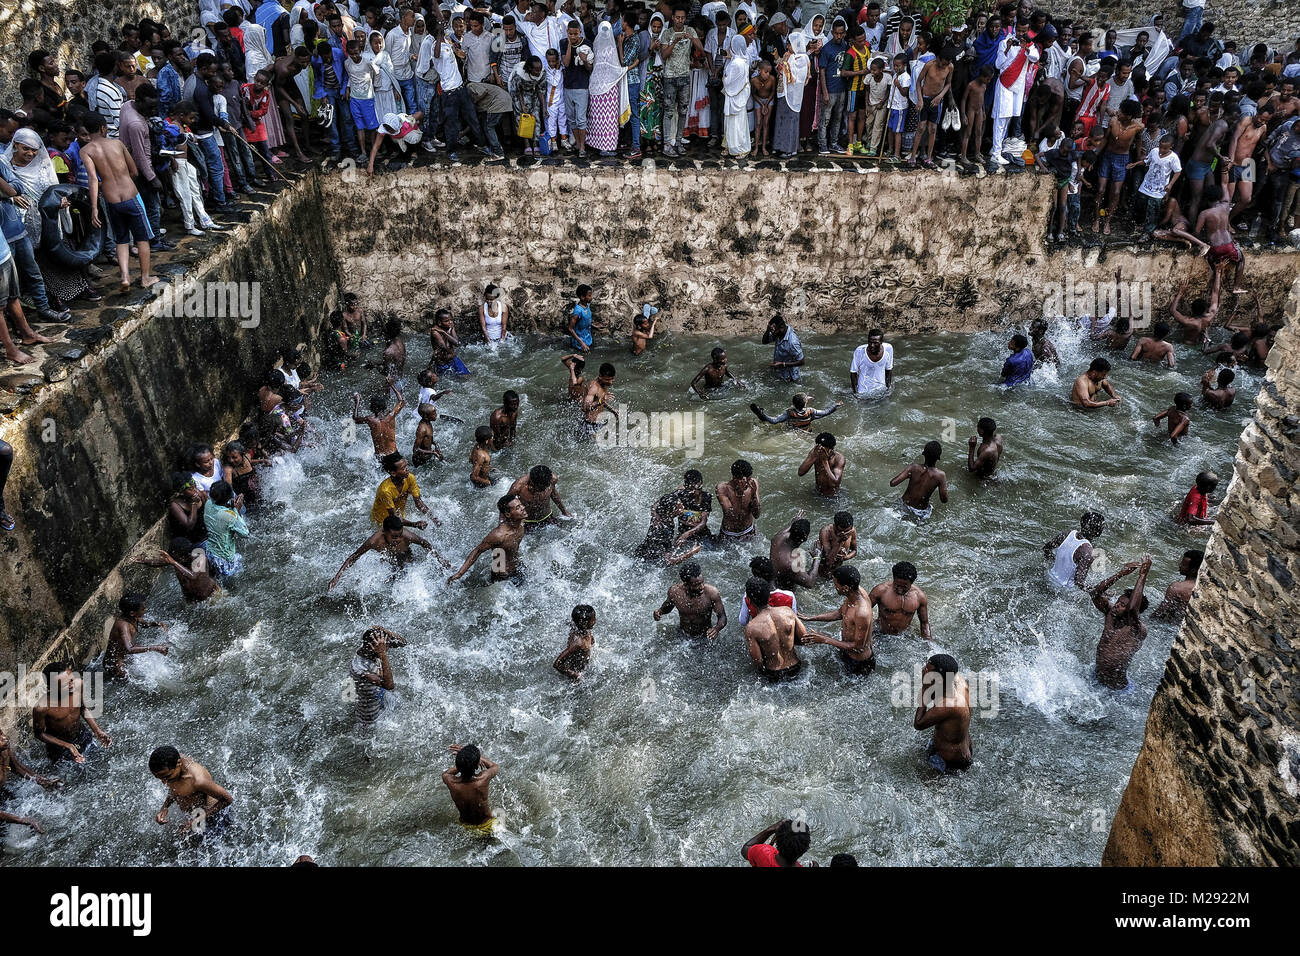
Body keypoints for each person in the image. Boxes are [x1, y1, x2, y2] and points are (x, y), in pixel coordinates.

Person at [81, 111, 157, 294]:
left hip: (111, 200)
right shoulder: (117, 143)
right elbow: (134, 171)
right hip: (130, 195)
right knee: (142, 239)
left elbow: (92, 179)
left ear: (87, 131)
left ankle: (124, 277)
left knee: (121, 240)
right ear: (103, 128)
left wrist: (94, 209)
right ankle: (145, 277)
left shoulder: (86, 151)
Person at [328, 515, 442, 590]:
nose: (397, 539)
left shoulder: (407, 536)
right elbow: (353, 557)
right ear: (384, 531)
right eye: (393, 537)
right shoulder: (374, 541)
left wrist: (441, 561)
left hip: (406, 556)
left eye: (399, 535)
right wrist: (336, 578)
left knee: (409, 575)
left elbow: (426, 544)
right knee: (390, 582)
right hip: (389, 559)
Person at [1091, 556, 1152, 690]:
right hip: (1096, 677)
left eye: (1122, 605)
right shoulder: (1110, 614)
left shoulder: (1137, 629)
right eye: (1118, 601)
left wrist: (1142, 575)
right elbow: (1095, 593)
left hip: (1117, 689)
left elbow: (1132, 609)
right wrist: (1120, 573)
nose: (1116, 605)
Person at [800, 565, 876, 673]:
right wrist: (812, 618)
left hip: (858, 663)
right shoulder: (854, 592)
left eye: (836, 584)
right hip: (846, 650)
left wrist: (824, 639)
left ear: (845, 588)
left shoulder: (861, 613)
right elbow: (840, 613)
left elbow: (858, 647)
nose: (834, 587)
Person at [32, 663, 111, 763]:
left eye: (72, 680)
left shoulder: (79, 685)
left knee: (101, 762)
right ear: (52, 688)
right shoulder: (42, 707)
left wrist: (97, 731)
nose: (71, 685)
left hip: (82, 734)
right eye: (65, 685)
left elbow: (83, 709)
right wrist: (67, 745)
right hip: (59, 746)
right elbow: (39, 734)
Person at [149, 746, 234, 835]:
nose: (164, 782)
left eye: (167, 777)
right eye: (159, 778)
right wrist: (164, 807)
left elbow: (228, 799)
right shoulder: (170, 765)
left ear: (179, 763)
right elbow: (174, 789)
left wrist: (194, 822)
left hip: (214, 818)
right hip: (195, 816)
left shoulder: (198, 780)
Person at [447, 493, 528, 584]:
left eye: (521, 505)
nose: (523, 508)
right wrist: (459, 574)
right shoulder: (499, 535)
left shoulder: (520, 523)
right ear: (508, 515)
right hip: (503, 576)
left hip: (517, 568)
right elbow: (477, 551)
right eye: (517, 508)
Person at [914, 654, 972, 773]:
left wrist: (925, 688)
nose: (923, 671)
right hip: (961, 746)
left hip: (949, 759)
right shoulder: (959, 682)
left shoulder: (949, 704)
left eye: (927, 670)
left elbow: (919, 724)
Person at [1, 723, 59, 837]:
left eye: (1, 733)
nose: (4, 738)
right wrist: (23, 820)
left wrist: (42, 781)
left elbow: (17, 768)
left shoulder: (5, 750)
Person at [743, 576, 805, 681]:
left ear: (749, 600)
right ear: (768, 595)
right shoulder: (787, 612)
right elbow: (804, 638)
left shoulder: (751, 628)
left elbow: (758, 661)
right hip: (795, 667)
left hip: (773, 673)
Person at [134, 537, 221, 603]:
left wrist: (174, 562)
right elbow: (159, 562)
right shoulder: (178, 559)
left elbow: (193, 576)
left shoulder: (199, 558)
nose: (172, 559)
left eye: (174, 557)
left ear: (184, 556)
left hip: (211, 597)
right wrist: (141, 561)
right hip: (192, 600)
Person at [654, 561, 726, 639]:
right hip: (682, 633)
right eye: (696, 585)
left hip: (704, 635)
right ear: (686, 584)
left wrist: (716, 629)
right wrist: (660, 612)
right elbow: (668, 607)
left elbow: (722, 617)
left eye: (702, 582)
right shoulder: (675, 592)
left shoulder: (711, 593)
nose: (701, 587)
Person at [104, 593, 169, 679]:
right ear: (132, 613)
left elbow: (145, 624)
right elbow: (129, 648)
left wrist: (158, 624)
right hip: (115, 664)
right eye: (143, 609)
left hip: (123, 657)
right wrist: (156, 648)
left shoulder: (133, 617)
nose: (146, 609)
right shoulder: (123, 625)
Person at [349, 626, 405, 722]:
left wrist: (386, 632)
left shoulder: (369, 647)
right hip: (372, 716)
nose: (388, 647)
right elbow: (389, 685)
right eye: (386, 645)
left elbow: (403, 643)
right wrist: (382, 653)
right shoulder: (360, 668)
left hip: (382, 696)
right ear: (374, 647)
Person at [442, 743, 499, 833]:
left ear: (457, 765)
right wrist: (474, 757)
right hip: (487, 825)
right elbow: (494, 766)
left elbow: (446, 773)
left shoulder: (451, 782)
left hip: (466, 827)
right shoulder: (482, 780)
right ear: (476, 766)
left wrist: (463, 759)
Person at [869, 562, 932, 640]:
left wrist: (929, 642)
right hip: (880, 633)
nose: (900, 589)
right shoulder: (880, 591)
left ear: (911, 583)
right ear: (894, 579)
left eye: (904, 587)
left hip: (903, 637)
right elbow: (863, 610)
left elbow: (924, 623)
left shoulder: (919, 597)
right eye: (897, 585)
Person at [636, 492, 702, 565]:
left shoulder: (661, 515)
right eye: (679, 507)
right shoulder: (662, 530)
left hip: (644, 552)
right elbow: (668, 562)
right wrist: (691, 552)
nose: (683, 508)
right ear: (671, 511)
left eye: (681, 504)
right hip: (646, 563)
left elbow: (657, 503)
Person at [370, 453, 432, 529]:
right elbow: (394, 518)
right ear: (393, 473)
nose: (407, 469)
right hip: (383, 522)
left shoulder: (410, 478)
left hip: (400, 518)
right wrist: (414, 524)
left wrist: (433, 518)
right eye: (403, 468)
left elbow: (419, 503)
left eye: (406, 466)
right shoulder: (385, 490)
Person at [1045, 511, 1105, 588]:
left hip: (1049, 577)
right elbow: (1079, 582)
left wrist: (1053, 561)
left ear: (1081, 522)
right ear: (1098, 532)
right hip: (1062, 590)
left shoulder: (1067, 534)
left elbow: (1046, 548)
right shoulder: (1088, 552)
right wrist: (1098, 590)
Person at [890, 440, 948, 520]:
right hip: (920, 512)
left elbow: (893, 483)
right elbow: (943, 499)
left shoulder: (913, 468)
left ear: (923, 454)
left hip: (903, 506)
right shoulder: (940, 476)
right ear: (938, 458)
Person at [203, 480, 249, 577]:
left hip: (210, 552)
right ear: (229, 497)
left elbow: (220, 508)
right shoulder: (229, 516)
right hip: (225, 559)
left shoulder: (208, 503)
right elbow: (245, 533)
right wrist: (237, 510)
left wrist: (231, 507)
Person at [508, 464, 572, 530]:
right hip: (526, 522)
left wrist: (564, 511)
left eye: (546, 487)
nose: (544, 490)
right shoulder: (518, 487)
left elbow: (554, 494)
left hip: (547, 516)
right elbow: (505, 506)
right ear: (532, 483)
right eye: (541, 488)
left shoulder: (552, 479)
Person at [352, 384, 404, 458]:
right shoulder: (391, 415)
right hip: (394, 454)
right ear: (384, 406)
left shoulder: (370, 419)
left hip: (380, 457)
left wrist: (357, 402)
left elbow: (355, 419)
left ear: (371, 407)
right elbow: (401, 401)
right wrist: (391, 384)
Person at [1154, 549, 1204, 620]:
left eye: (1183, 565)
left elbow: (1161, 611)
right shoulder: (1202, 588)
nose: (1180, 565)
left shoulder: (1177, 587)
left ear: (1193, 570)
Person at [741, 818, 812, 867]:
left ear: (776, 840)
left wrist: (771, 829)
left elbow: (745, 849)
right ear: (805, 850)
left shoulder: (763, 853)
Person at [750, 393, 841, 428]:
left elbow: (774, 421)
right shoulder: (810, 411)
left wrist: (763, 414)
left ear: (793, 404)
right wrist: (835, 406)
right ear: (805, 403)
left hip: (792, 432)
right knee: (813, 418)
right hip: (806, 432)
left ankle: (762, 414)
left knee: (778, 421)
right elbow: (825, 412)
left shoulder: (790, 413)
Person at [554, 604, 596, 679]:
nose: (595, 621)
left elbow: (570, 623)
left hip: (583, 662)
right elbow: (557, 664)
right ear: (584, 623)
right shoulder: (578, 643)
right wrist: (575, 675)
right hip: (576, 670)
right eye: (593, 619)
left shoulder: (584, 629)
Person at [798, 432, 846, 497]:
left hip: (832, 496)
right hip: (817, 492)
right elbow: (800, 472)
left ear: (831, 449)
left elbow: (835, 483)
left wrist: (825, 461)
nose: (820, 451)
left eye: (823, 449)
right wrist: (814, 456)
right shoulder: (815, 452)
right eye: (818, 447)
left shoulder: (839, 459)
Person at [849, 329, 892, 396]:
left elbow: (888, 369)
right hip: (863, 392)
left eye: (875, 343)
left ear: (881, 342)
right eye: (870, 342)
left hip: (881, 390)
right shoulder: (860, 351)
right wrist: (855, 393)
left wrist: (888, 388)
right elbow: (853, 372)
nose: (872, 345)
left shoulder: (888, 349)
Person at [763, 314, 804, 381]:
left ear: (781, 327)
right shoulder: (779, 332)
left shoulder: (792, 342)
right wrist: (768, 330)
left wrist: (783, 364)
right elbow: (764, 342)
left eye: (773, 331)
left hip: (790, 378)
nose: (772, 333)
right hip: (779, 373)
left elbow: (802, 362)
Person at [816, 511, 857, 579]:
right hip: (822, 570)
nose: (845, 534)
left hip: (838, 568)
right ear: (835, 526)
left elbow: (855, 550)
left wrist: (846, 557)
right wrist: (840, 541)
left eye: (847, 531)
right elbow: (828, 561)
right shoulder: (826, 532)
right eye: (841, 531)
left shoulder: (852, 531)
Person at [568, 283, 595, 351]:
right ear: (582, 297)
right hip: (579, 344)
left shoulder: (587, 306)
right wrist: (582, 343)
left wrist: (594, 326)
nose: (591, 297)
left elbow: (584, 321)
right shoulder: (577, 311)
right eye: (589, 296)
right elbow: (570, 329)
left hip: (588, 339)